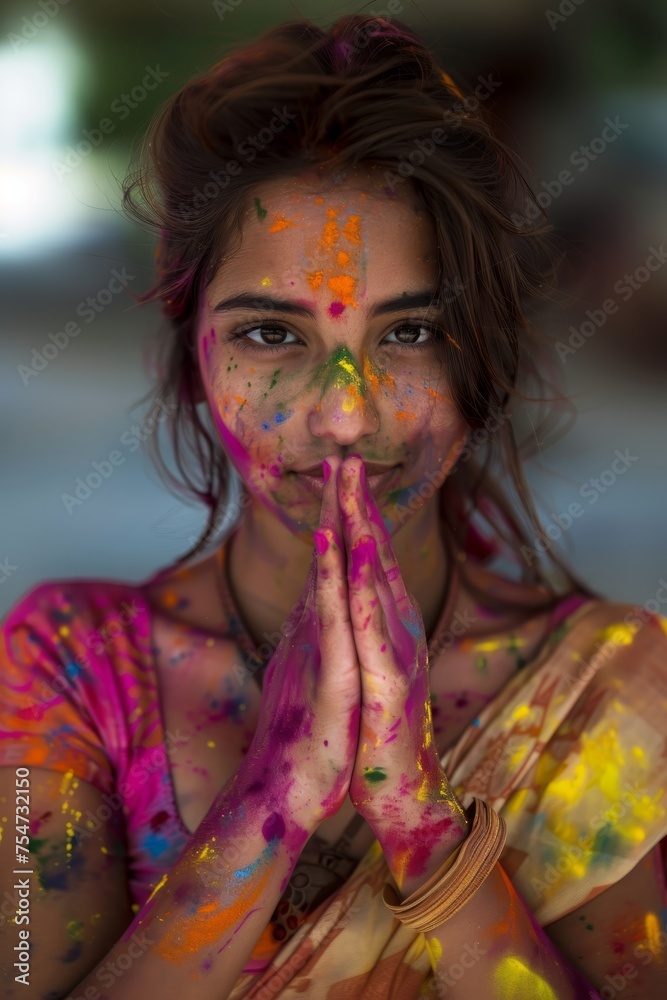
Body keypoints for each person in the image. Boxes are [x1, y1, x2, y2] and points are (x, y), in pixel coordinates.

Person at [1, 14, 666, 1000]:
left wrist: (418, 823)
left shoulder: (612, 690)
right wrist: (272, 795)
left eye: (409, 335)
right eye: (272, 334)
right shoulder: (65, 663)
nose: (346, 414)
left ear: (479, 361)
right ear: (192, 357)